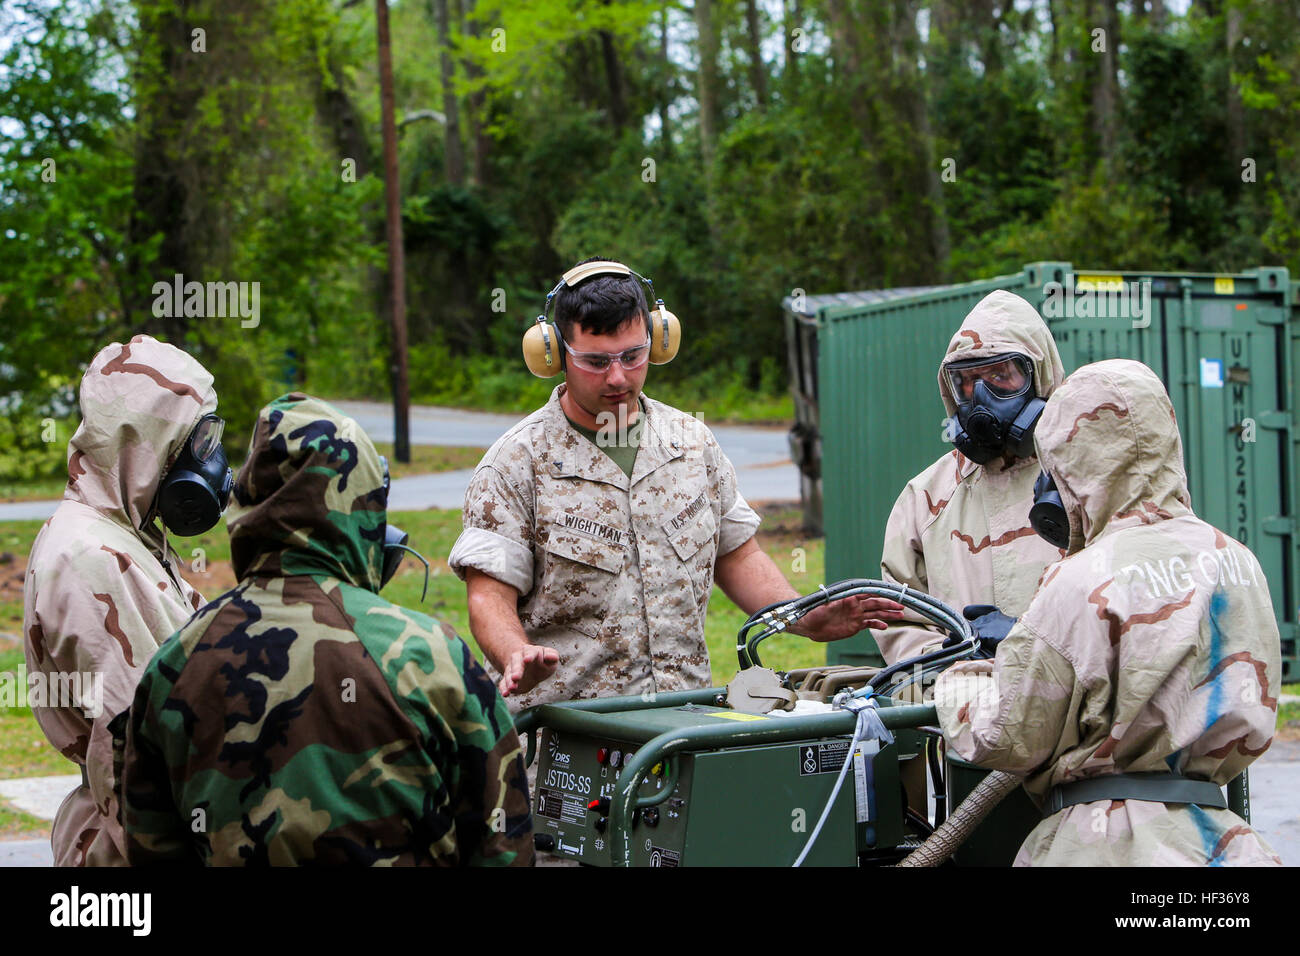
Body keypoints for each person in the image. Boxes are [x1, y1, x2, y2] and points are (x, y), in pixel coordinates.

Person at [448, 257, 903, 711]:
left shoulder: (690, 443)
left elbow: (738, 554)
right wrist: (514, 653)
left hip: (678, 728)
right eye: (595, 361)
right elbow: (488, 595)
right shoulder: (516, 462)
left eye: (632, 355)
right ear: (553, 354)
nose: (618, 376)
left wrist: (803, 618)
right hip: (567, 740)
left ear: (659, 343)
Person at [119, 394, 531, 866]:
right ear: (366, 509)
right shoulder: (432, 657)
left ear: (248, 504)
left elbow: (151, 848)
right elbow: (502, 845)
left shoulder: (175, 665)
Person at [934, 359, 1282, 866]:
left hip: (1102, 846)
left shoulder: (1077, 578)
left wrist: (964, 677)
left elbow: (1006, 736)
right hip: (1222, 844)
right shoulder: (1236, 560)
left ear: (1070, 462)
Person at [22, 334, 228, 867]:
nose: (211, 462)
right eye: (197, 441)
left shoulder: (121, 535)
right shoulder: (90, 557)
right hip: (127, 848)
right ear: (149, 439)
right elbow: (134, 752)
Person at [878, 290, 1068, 669]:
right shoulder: (927, 497)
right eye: (967, 381)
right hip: (963, 716)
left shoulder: (1087, 482)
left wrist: (1027, 644)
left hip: (1072, 715)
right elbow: (899, 621)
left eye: (1001, 376)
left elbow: (1127, 614)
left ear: (1040, 377)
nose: (982, 397)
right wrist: (958, 664)